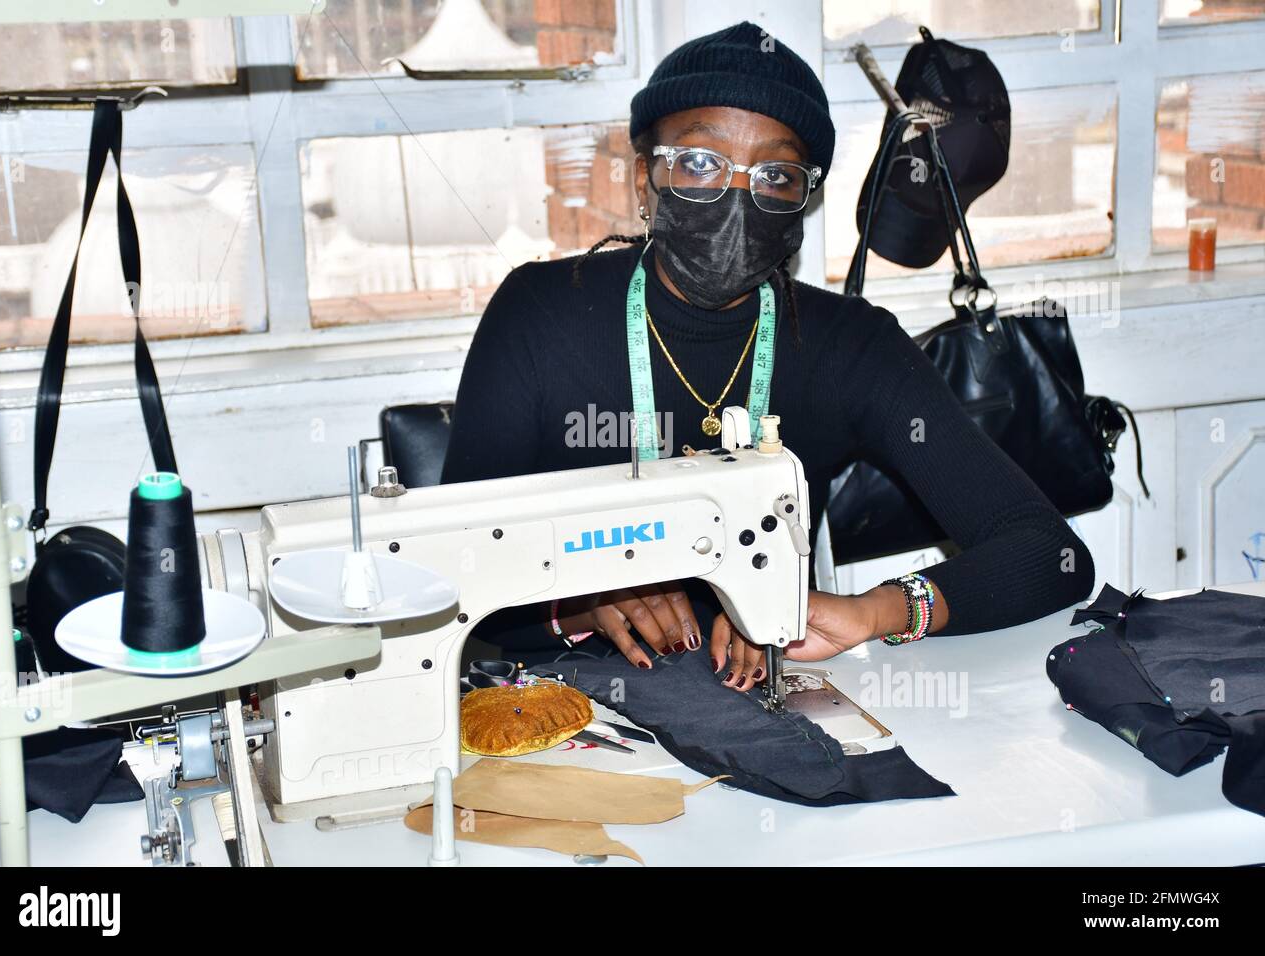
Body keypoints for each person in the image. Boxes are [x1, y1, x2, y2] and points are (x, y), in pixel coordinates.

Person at [441, 21, 1093, 692]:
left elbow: (1051, 554)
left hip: (752, 702)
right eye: (700, 161)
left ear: (802, 202)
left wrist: (872, 612)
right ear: (645, 178)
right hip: (565, 715)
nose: (735, 196)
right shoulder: (539, 318)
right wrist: (573, 602)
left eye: (775, 174)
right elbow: (452, 571)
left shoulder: (849, 345)